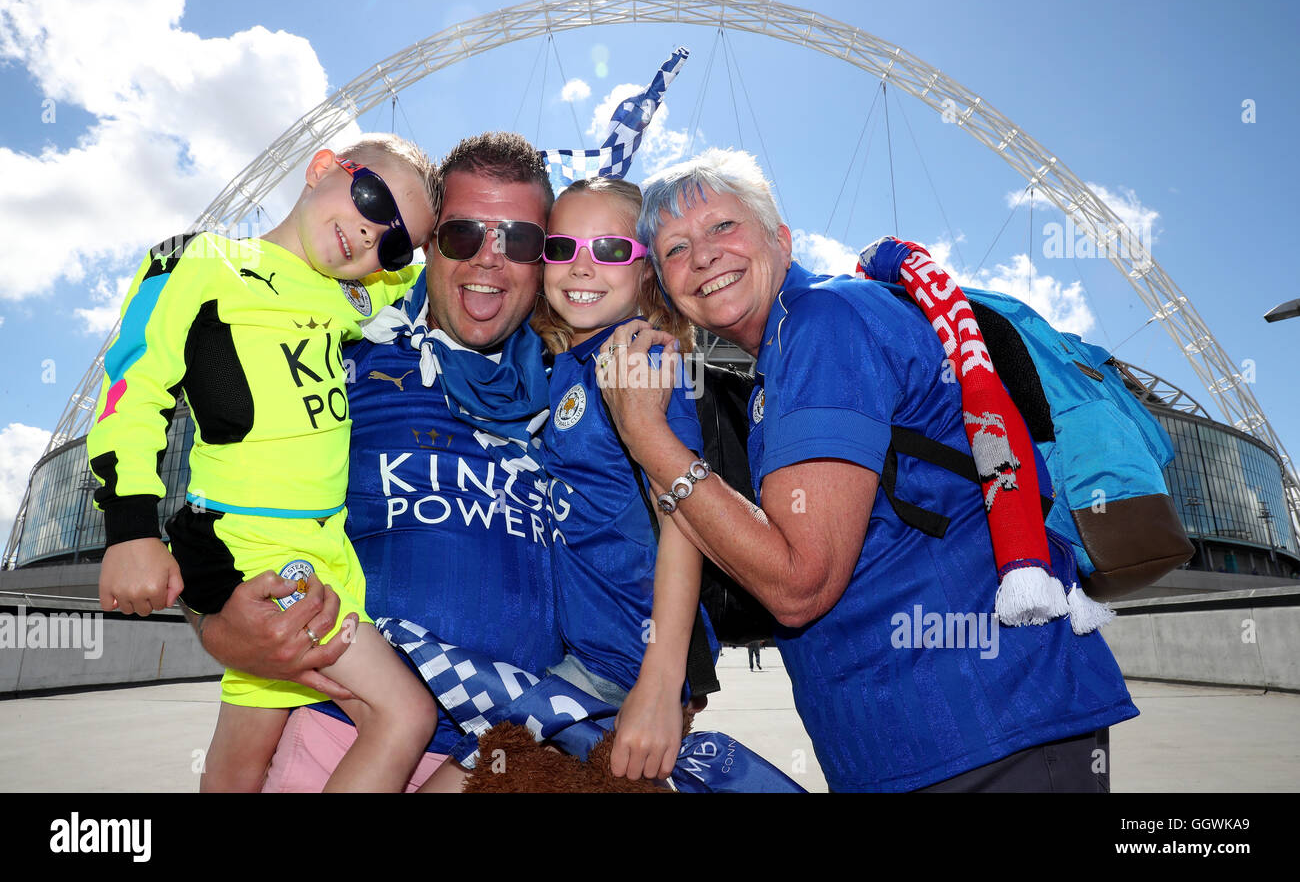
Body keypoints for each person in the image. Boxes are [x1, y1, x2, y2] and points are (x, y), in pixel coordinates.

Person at [596, 147, 1140, 793]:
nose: (704, 254)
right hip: (934, 746)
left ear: (782, 239)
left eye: (722, 226)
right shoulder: (783, 356)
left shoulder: (823, 324)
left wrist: (647, 435)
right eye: (676, 249)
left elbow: (801, 581)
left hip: (987, 735)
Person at [190, 131, 563, 792]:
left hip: (503, 758)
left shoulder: (578, 384)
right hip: (340, 738)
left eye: (522, 241)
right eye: (463, 234)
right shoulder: (345, 341)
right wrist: (218, 623)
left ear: (547, 259)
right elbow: (222, 500)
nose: (489, 261)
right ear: (423, 245)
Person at [88, 135, 443, 791]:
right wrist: (131, 529)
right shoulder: (200, 261)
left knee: (234, 771)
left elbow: (450, 263)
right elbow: (129, 389)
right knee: (404, 714)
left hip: (326, 554)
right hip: (251, 544)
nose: (371, 236)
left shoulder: (356, 293)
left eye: (394, 243)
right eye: (372, 199)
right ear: (321, 167)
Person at [531, 176, 714, 781]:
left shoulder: (646, 359)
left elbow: (686, 519)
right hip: (578, 656)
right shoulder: (565, 364)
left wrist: (661, 683)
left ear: (645, 273)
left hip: (624, 668)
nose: (582, 269)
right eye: (563, 249)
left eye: (610, 250)